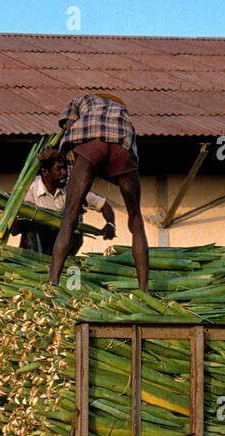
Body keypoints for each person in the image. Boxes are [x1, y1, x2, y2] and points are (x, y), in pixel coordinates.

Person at [48, 92, 149, 292]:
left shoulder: (78, 100)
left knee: (69, 217)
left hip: (92, 143)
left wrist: (58, 152)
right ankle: (144, 289)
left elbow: (68, 127)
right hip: (122, 144)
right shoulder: (120, 111)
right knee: (136, 218)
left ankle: (52, 283)